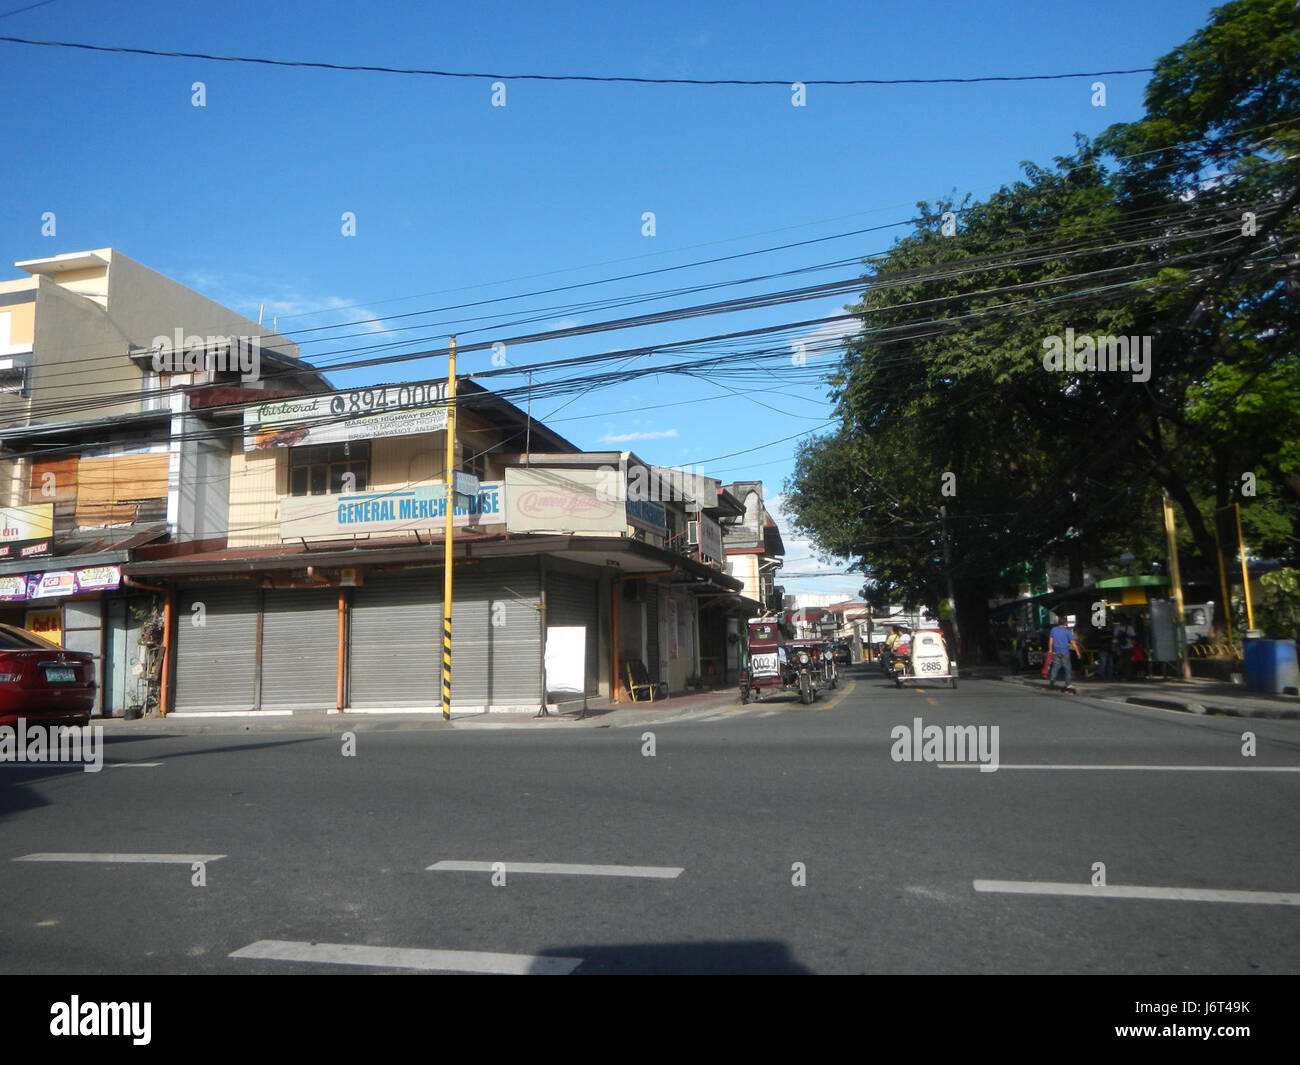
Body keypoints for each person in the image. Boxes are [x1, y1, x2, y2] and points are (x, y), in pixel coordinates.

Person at [1047, 613, 1082, 694]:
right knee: (1067, 668)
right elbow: (1073, 643)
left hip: (1056, 651)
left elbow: (1050, 640)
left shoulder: (1053, 630)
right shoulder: (1068, 632)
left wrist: (1050, 649)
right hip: (1065, 652)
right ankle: (1068, 684)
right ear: (1065, 623)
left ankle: (1052, 679)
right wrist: (1077, 652)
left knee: (1055, 666)